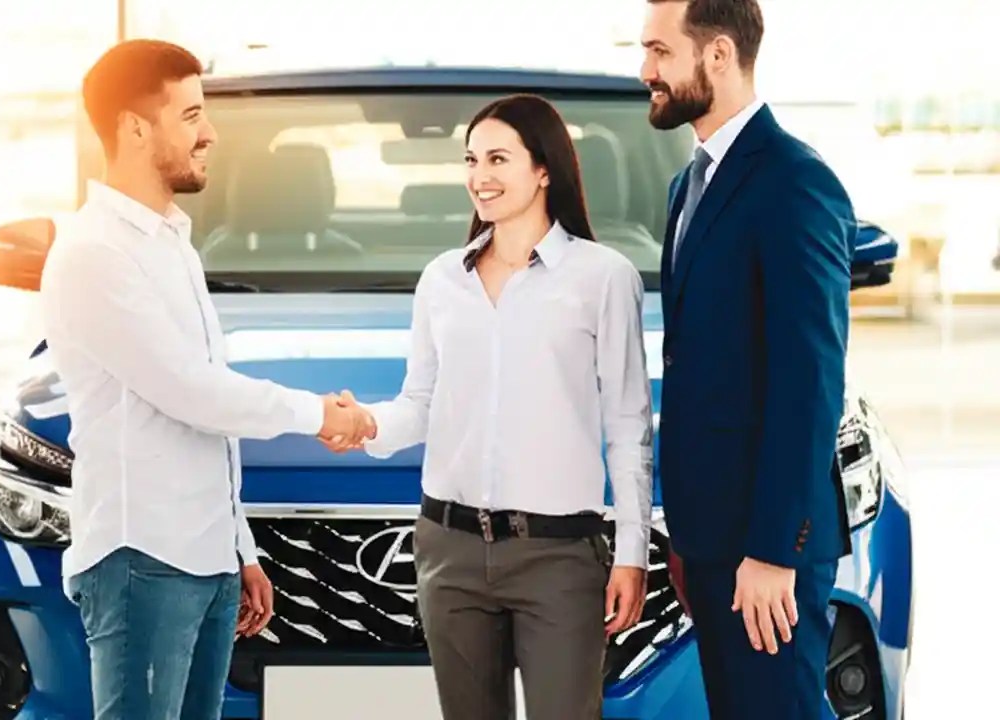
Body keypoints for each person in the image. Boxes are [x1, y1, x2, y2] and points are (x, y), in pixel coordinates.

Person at [39, 39, 375, 720]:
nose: (210, 133)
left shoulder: (170, 242)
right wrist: (321, 414)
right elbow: (192, 393)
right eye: (191, 115)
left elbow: (203, 409)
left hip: (204, 559)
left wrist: (238, 549)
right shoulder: (95, 253)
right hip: (143, 560)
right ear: (135, 129)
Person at [326, 94, 654, 720]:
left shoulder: (603, 278)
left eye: (499, 158)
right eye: (472, 160)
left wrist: (632, 553)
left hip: (558, 555)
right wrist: (366, 424)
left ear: (544, 170)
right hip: (449, 549)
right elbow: (418, 404)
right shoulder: (442, 280)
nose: (480, 176)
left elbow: (627, 427)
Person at [639, 1, 856, 718]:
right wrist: (688, 532)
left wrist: (772, 550)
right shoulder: (685, 188)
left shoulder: (795, 180)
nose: (648, 72)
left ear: (719, 55)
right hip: (710, 541)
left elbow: (810, 382)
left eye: (660, 52)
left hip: (766, 551)